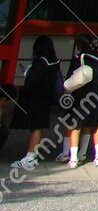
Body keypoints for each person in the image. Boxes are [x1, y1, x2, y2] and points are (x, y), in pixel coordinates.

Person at [65, 34, 98, 168]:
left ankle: (73, 159)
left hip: (79, 97)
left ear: (91, 44)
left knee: (76, 126)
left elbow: (71, 77)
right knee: (95, 126)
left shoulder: (80, 57)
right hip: (96, 98)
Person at [16, 36, 63, 169]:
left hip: (36, 97)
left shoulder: (40, 62)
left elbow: (33, 82)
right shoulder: (54, 61)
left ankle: (30, 156)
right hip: (47, 97)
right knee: (38, 126)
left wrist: (27, 74)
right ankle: (32, 154)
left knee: (35, 126)